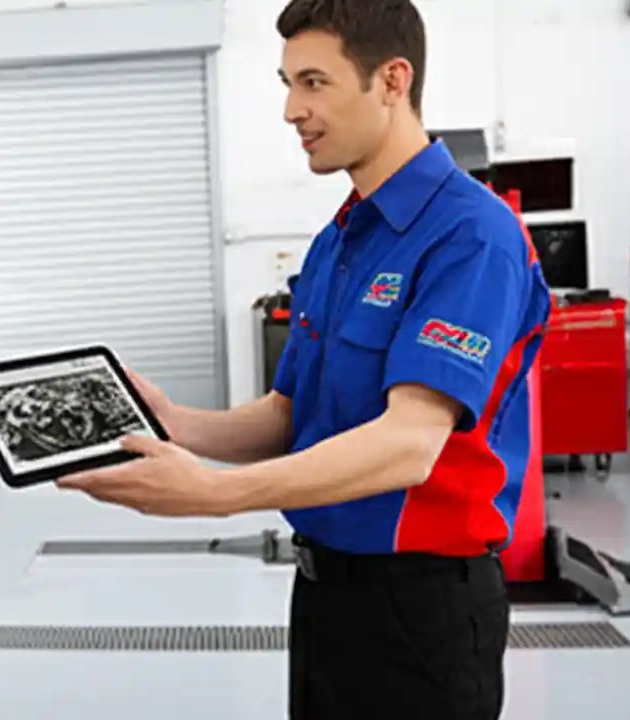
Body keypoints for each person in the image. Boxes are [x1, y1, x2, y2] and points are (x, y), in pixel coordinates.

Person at [57, 1, 552, 719]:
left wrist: (215, 494)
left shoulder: (473, 236)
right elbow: (291, 414)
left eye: (314, 82)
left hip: (422, 612)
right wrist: (172, 423)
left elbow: (408, 445)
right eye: (288, 84)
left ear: (392, 80)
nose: (292, 110)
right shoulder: (340, 238)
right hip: (325, 596)